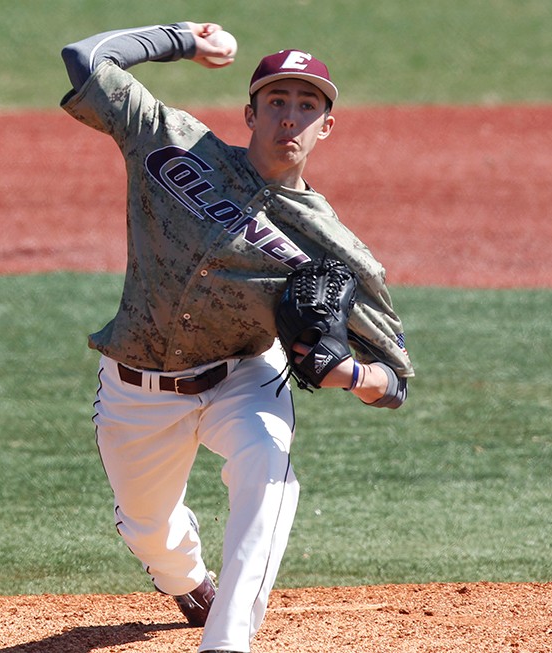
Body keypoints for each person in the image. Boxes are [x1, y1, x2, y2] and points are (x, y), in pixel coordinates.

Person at [60, 21, 414, 653]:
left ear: (326, 126)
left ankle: (227, 642)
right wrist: (182, 40)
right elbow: (84, 61)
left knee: (268, 468)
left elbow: (396, 379)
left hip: (244, 379)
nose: (290, 116)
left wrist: (355, 375)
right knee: (149, 529)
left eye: (307, 105)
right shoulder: (174, 144)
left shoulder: (333, 247)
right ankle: (186, 580)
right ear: (250, 113)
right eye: (276, 100)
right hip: (137, 387)